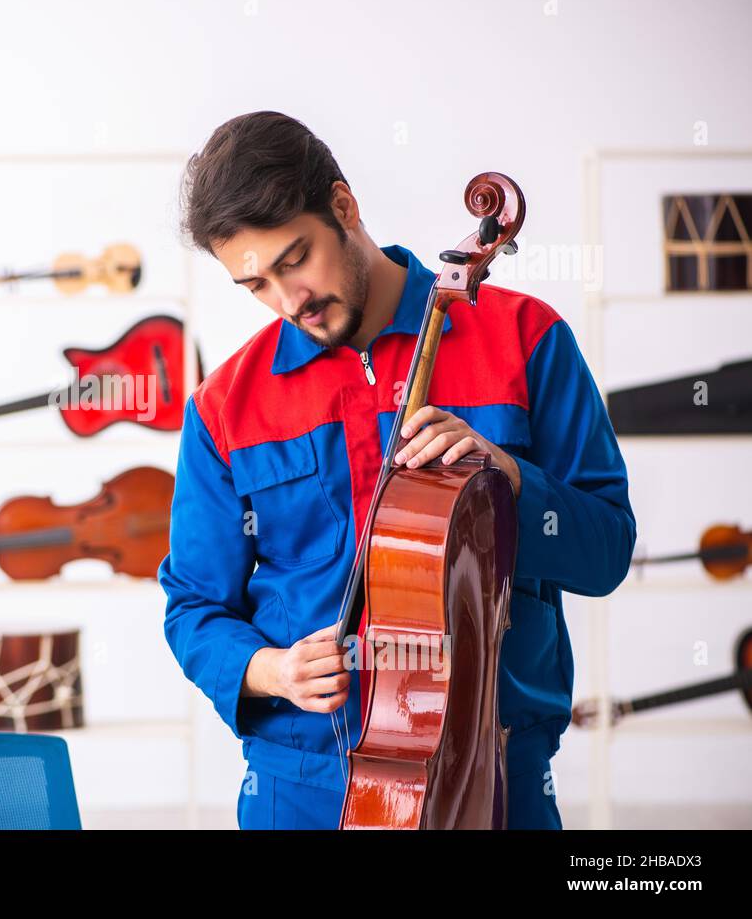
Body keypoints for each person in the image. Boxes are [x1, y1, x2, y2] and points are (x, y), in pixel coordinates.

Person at [159, 111, 636, 829]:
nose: (290, 302)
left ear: (343, 206)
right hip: (302, 786)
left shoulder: (526, 338)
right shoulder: (225, 407)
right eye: (255, 284)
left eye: (295, 259)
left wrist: (507, 479)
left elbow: (606, 550)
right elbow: (194, 607)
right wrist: (273, 670)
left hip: (493, 778)